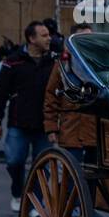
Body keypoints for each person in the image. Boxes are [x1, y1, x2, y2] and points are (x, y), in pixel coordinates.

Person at [0, 21, 56, 212]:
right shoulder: (13, 61)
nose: (49, 38)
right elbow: (0, 93)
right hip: (18, 123)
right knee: (14, 161)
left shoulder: (54, 60)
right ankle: (18, 192)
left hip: (45, 124)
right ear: (32, 39)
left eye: (48, 34)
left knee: (43, 166)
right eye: (44, 35)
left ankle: (36, 201)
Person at [44, 24, 95, 163]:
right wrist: (51, 128)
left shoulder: (99, 62)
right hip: (71, 128)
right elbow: (51, 95)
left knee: (95, 177)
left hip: (95, 131)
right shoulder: (63, 63)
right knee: (72, 175)